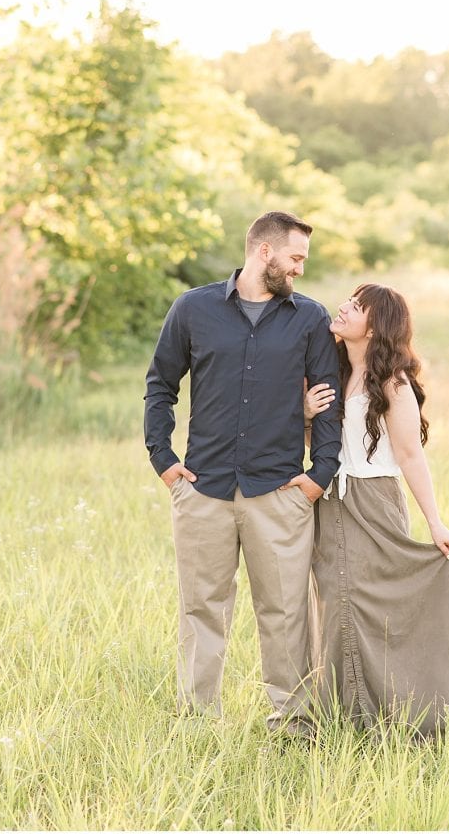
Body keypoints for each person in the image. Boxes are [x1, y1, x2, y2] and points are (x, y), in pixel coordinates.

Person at [144, 211, 341, 735]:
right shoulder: (193, 308)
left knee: (285, 611)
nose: (299, 269)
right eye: (295, 258)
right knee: (201, 609)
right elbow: (161, 385)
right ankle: (197, 723)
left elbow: (329, 402)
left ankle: (294, 722)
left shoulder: (310, 319)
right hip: (202, 490)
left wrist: (319, 475)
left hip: (279, 492)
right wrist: (163, 460)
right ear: (265, 252)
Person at [304, 283, 449, 738]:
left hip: (373, 499)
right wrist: (304, 414)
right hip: (329, 502)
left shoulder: (394, 383)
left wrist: (435, 522)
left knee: (376, 608)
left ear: (375, 326)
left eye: (355, 307)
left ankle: (405, 711)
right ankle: (342, 717)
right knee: (334, 605)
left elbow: (411, 456)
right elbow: (322, 446)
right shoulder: (333, 372)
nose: (341, 307)